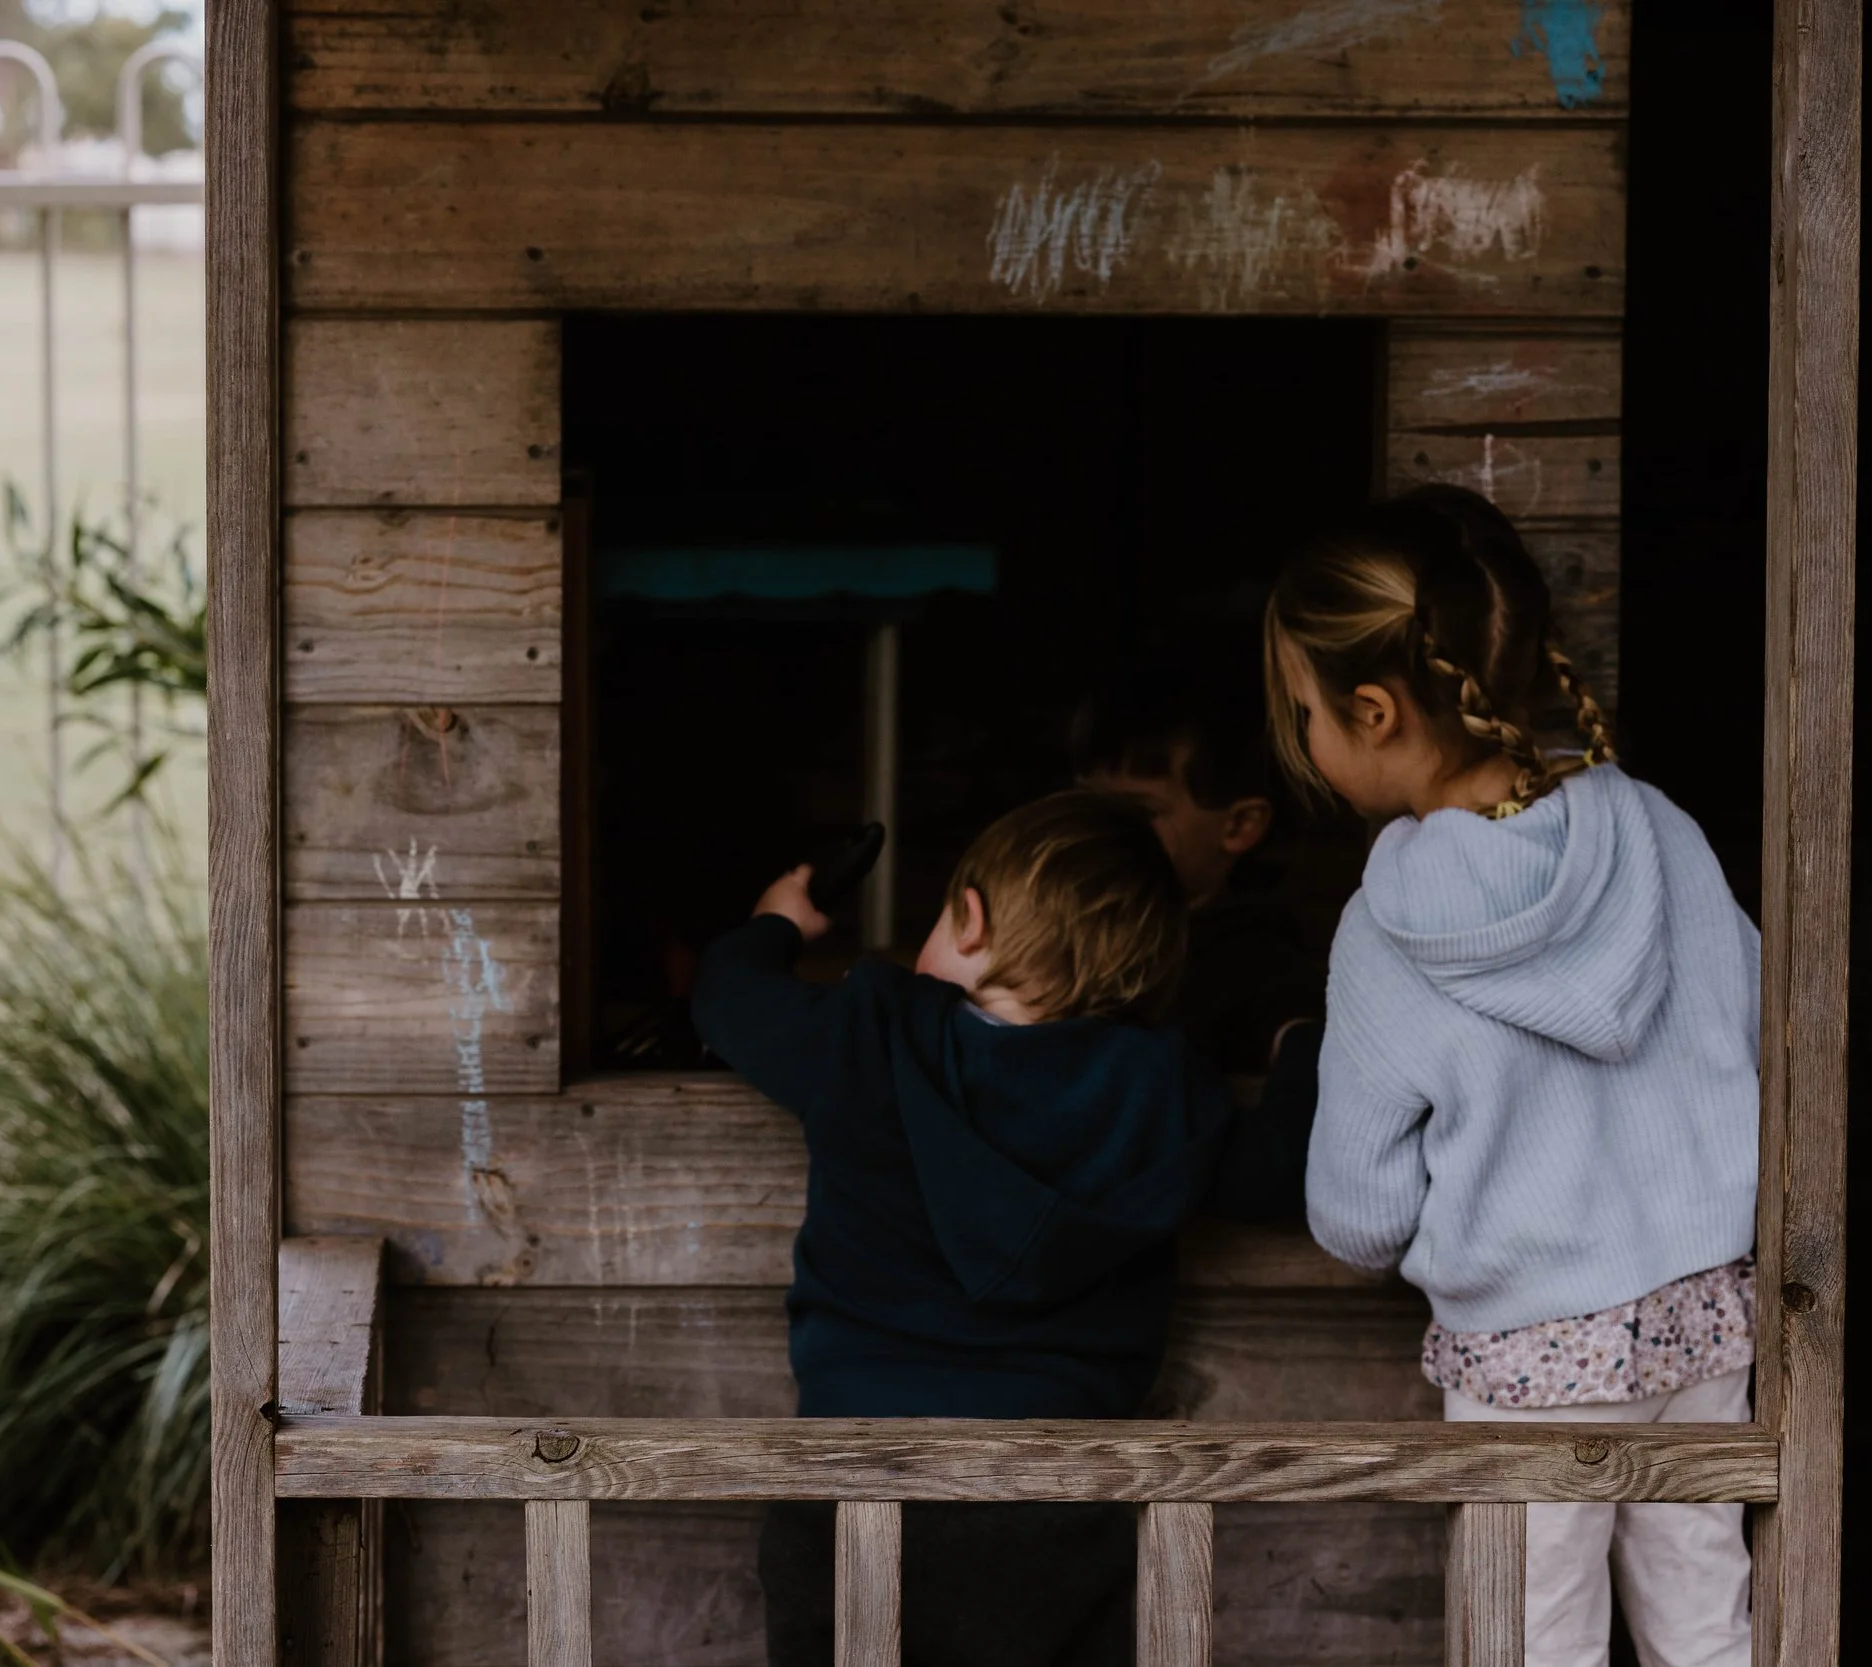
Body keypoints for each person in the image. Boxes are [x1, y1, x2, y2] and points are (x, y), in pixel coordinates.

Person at [1267, 484, 1758, 1667]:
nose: (1302, 734)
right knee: (1709, 1628)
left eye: (1303, 710)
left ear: (1375, 711)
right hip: (1703, 1321)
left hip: (1527, 1354)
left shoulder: (1386, 931)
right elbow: (1756, 1030)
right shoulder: (1657, 828)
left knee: (1529, 1642)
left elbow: (1357, 1215)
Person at [693, 790, 1315, 1667]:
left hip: (849, 1478)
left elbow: (726, 999)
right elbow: (1285, 1165)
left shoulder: (871, 1033)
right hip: (1058, 1500)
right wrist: (1299, 1038)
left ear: (970, 918)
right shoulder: (1163, 1089)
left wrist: (777, 923)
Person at [1072, 654, 1328, 1074]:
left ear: (1240, 825)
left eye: (1137, 813)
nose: (1098, 833)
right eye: (1084, 808)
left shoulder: (1261, 967)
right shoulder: (1054, 925)